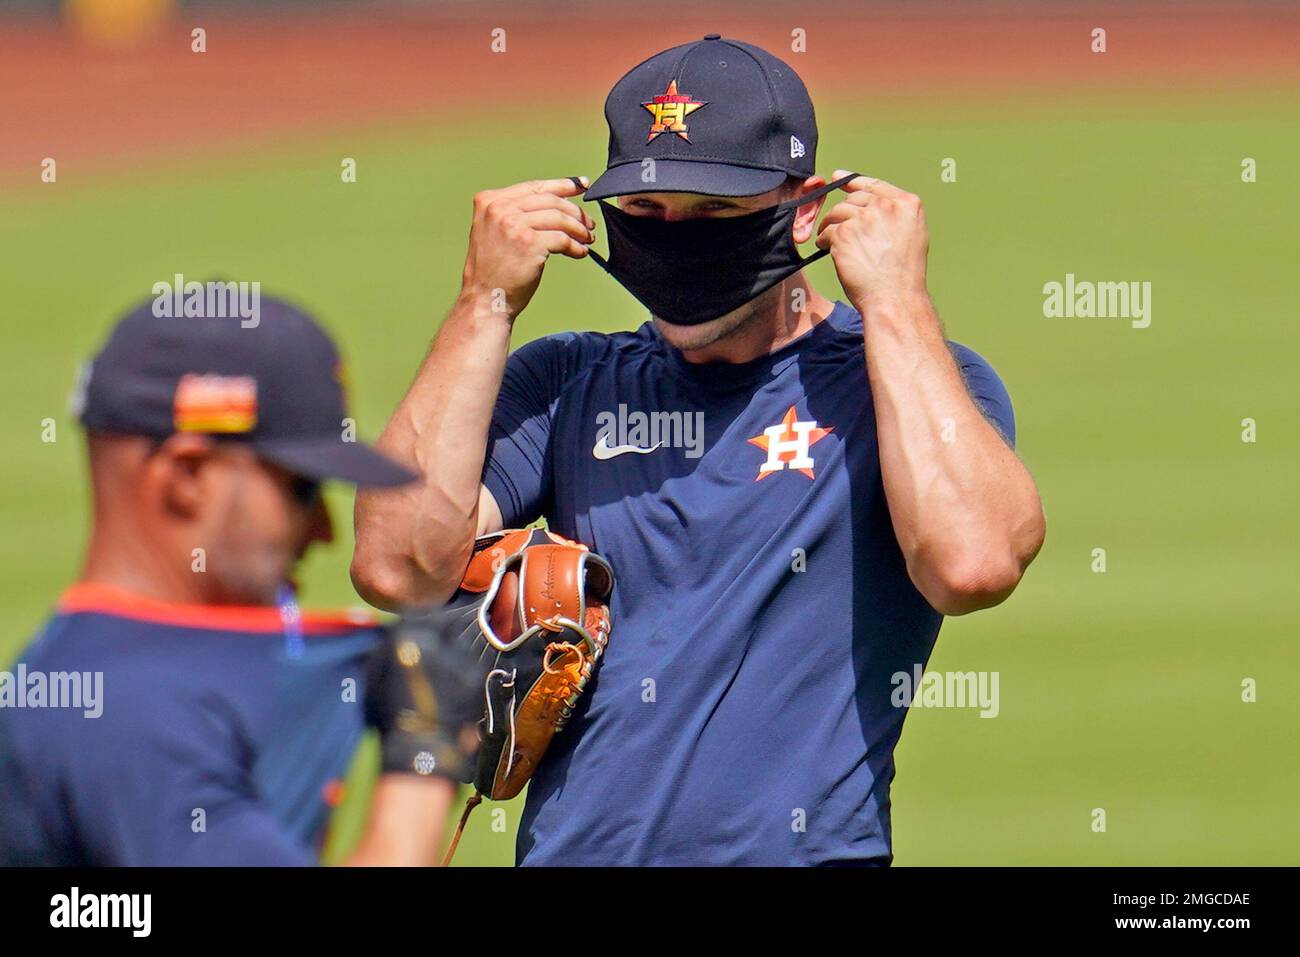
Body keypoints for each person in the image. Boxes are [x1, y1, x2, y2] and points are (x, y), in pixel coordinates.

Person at [353, 35, 1046, 865]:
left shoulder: (903, 381)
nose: (677, 237)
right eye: (645, 214)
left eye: (715, 211)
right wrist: (484, 302)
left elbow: (973, 562)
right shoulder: (566, 382)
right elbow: (398, 566)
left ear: (806, 205)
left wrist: (898, 302)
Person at [0, 293, 457, 866]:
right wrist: (424, 756)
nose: (324, 531)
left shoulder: (120, 668)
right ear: (187, 476)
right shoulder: (128, 716)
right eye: (302, 489)